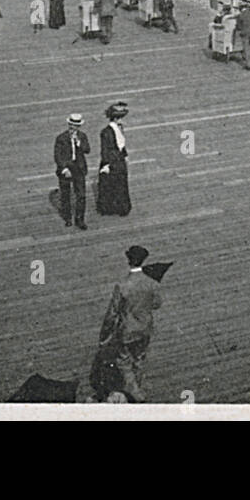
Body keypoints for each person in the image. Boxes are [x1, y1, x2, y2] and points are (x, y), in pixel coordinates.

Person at [94, 245, 162, 402]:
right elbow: (157, 303)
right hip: (145, 327)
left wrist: (105, 334)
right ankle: (135, 387)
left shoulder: (123, 285)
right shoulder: (151, 282)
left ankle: (135, 393)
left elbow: (112, 313)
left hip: (128, 330)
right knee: (138, 359)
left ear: (128, 261)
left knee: (123, 361)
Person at [54, 113, 91, 230]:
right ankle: (68, 218)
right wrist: (64, 169)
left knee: (81, 195)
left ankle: (80, 219)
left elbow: (87, 150)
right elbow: (58, 156)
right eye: (71, 125)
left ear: (78, 127)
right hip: (66, 168)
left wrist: (79, 143)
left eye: (75, 126)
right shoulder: (61, 138)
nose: (72, 128)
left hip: (78, 168)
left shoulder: (83, 137)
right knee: (65, 195)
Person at [97, 101, 133, 216]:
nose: (121, 121)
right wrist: (106, 164)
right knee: (112, 185)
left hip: (119, 160)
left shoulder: (118, 129)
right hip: (112, 161)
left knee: (119, 184)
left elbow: (122, 145)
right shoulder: (106, 132)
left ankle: (120, 207)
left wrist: (125, 155)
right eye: (120, 118)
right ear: (115, 119)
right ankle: (111, 208)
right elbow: (105, 149)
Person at [234, 2, 250, 70]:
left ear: (240, 8)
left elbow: (239, 27)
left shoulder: (240, 15)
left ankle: (248, 65)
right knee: (249, 47)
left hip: (245, 33)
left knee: (246, 48)